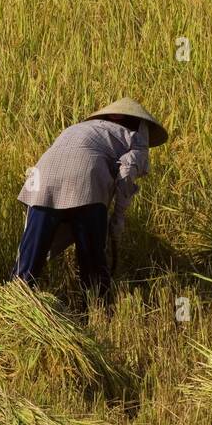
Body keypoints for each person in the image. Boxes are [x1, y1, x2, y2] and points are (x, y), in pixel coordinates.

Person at [13, 97, 167, 296]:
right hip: (86, 183)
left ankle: (15, 299)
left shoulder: (75, 128)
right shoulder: (136, 139)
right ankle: (97, 305)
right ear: (140, 124)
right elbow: (126, 174)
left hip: (41, 181)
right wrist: (118, 218)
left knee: (29, 256)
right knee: (92, 258)